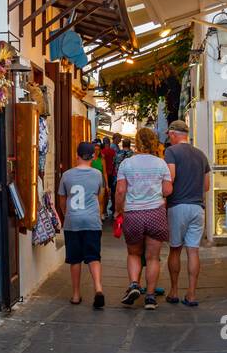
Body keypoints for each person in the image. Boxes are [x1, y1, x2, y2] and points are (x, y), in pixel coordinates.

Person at [114, 125, 173, 310]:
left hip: (133, 214)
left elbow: (121, 190)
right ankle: (150, 297)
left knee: (134, 253)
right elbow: (167, 190)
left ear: (137, 143)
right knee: (153, 257)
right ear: (154, 143)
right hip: (155, 213)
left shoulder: (126, 164)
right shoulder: (161, 163)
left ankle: (133, 284)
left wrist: (118, 210)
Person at [164, 118, 211, 306]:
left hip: (178, 206)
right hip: (197, 208)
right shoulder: (201, 155)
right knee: (193, 251)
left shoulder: (171, 152)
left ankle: (174, 291)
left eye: (169, 135)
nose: (169, 139)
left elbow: (171, 176)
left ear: (174, 134)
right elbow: (206, 186)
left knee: (175, 249)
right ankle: (191, 294)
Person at [58, 141, 106, 309]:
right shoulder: (97, 174)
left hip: (73, 221)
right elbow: (99, 194)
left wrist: (66, 214)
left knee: (75, 259)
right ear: (93, 156)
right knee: (94, 257)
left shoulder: (67, 175)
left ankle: (76, 294)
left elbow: (62, 199)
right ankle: (98, 288)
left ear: (76, 155)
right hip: (92, 221)